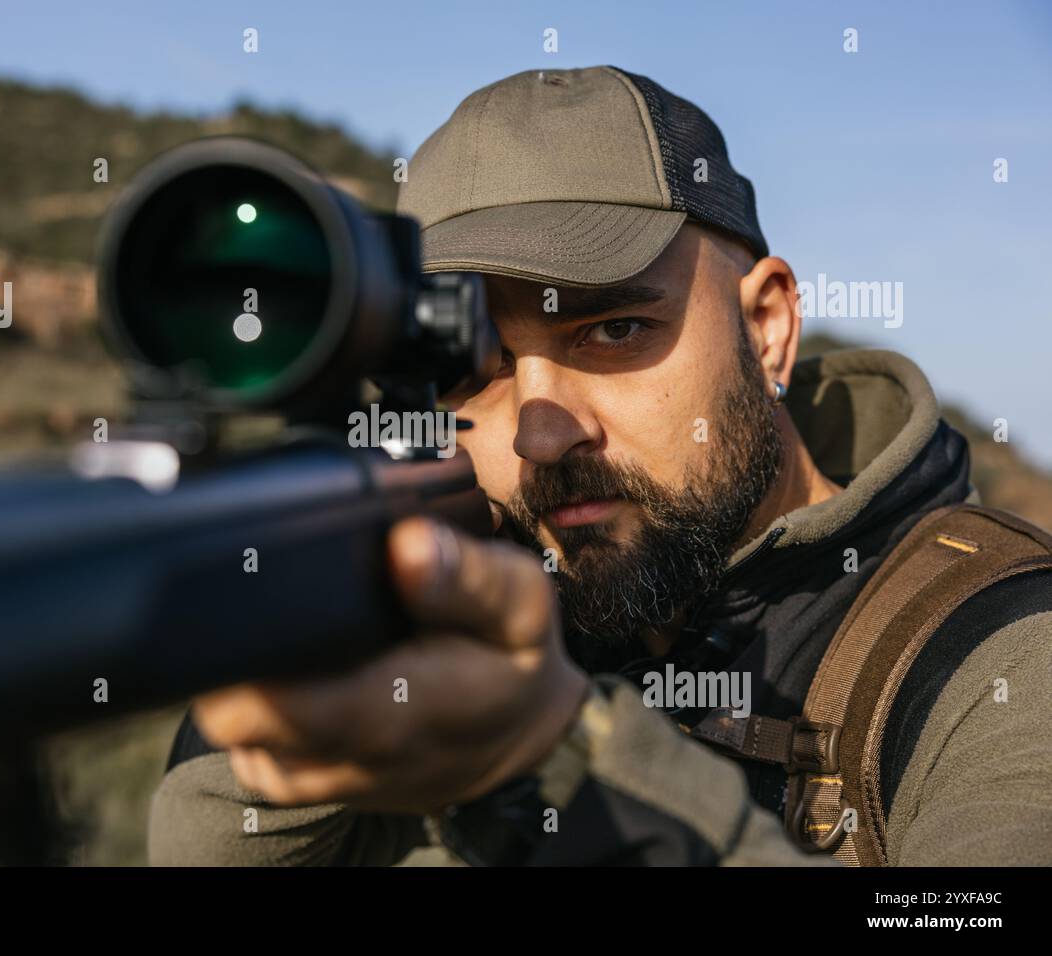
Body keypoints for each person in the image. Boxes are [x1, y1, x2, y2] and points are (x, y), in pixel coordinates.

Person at [147, 66, 1052, 866]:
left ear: (766, 326)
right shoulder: (458, 619)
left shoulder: (999, 655)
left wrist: (558, 759)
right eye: (468, 369)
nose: (541, 436)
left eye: (613, 329)